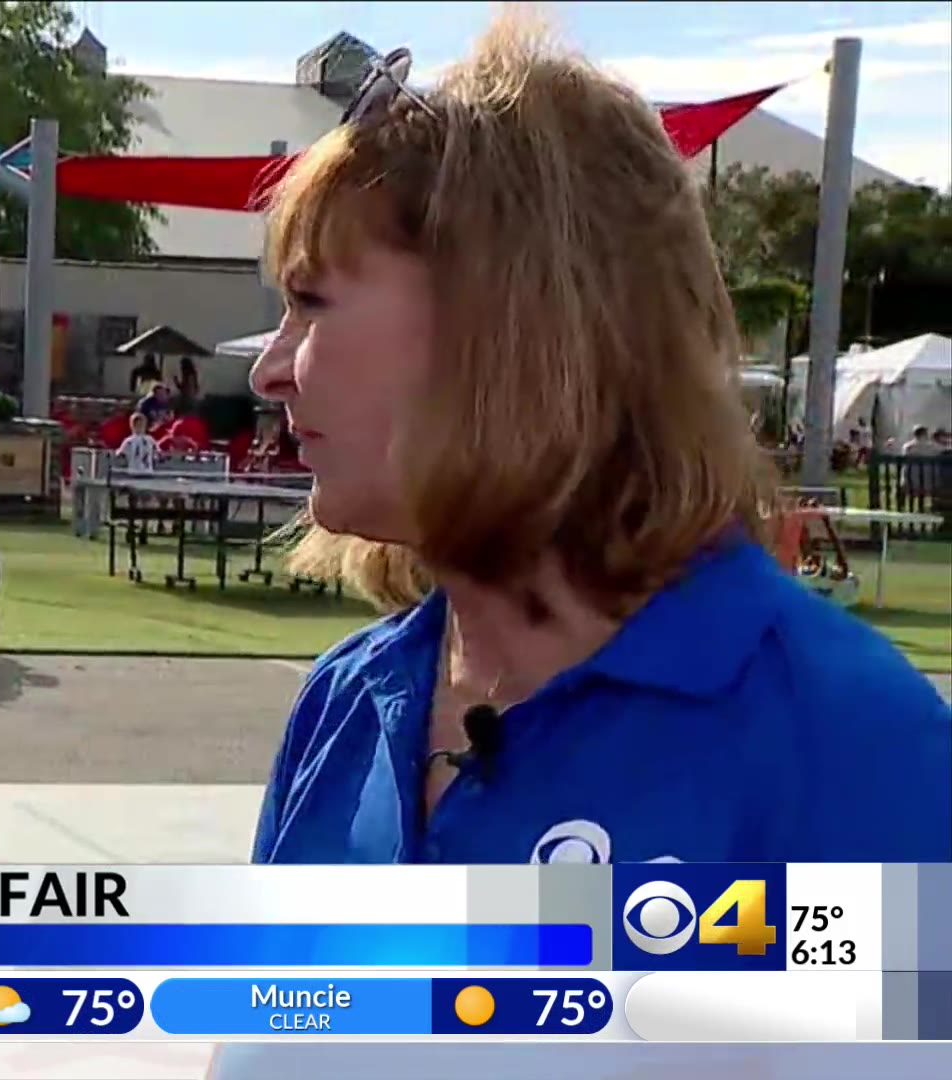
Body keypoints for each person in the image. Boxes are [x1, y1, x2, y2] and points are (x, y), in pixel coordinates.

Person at [217, 13, 951, 1078]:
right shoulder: (345, 707)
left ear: (507, 327)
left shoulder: (849, 745)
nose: (270, 372)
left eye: (310, 304)